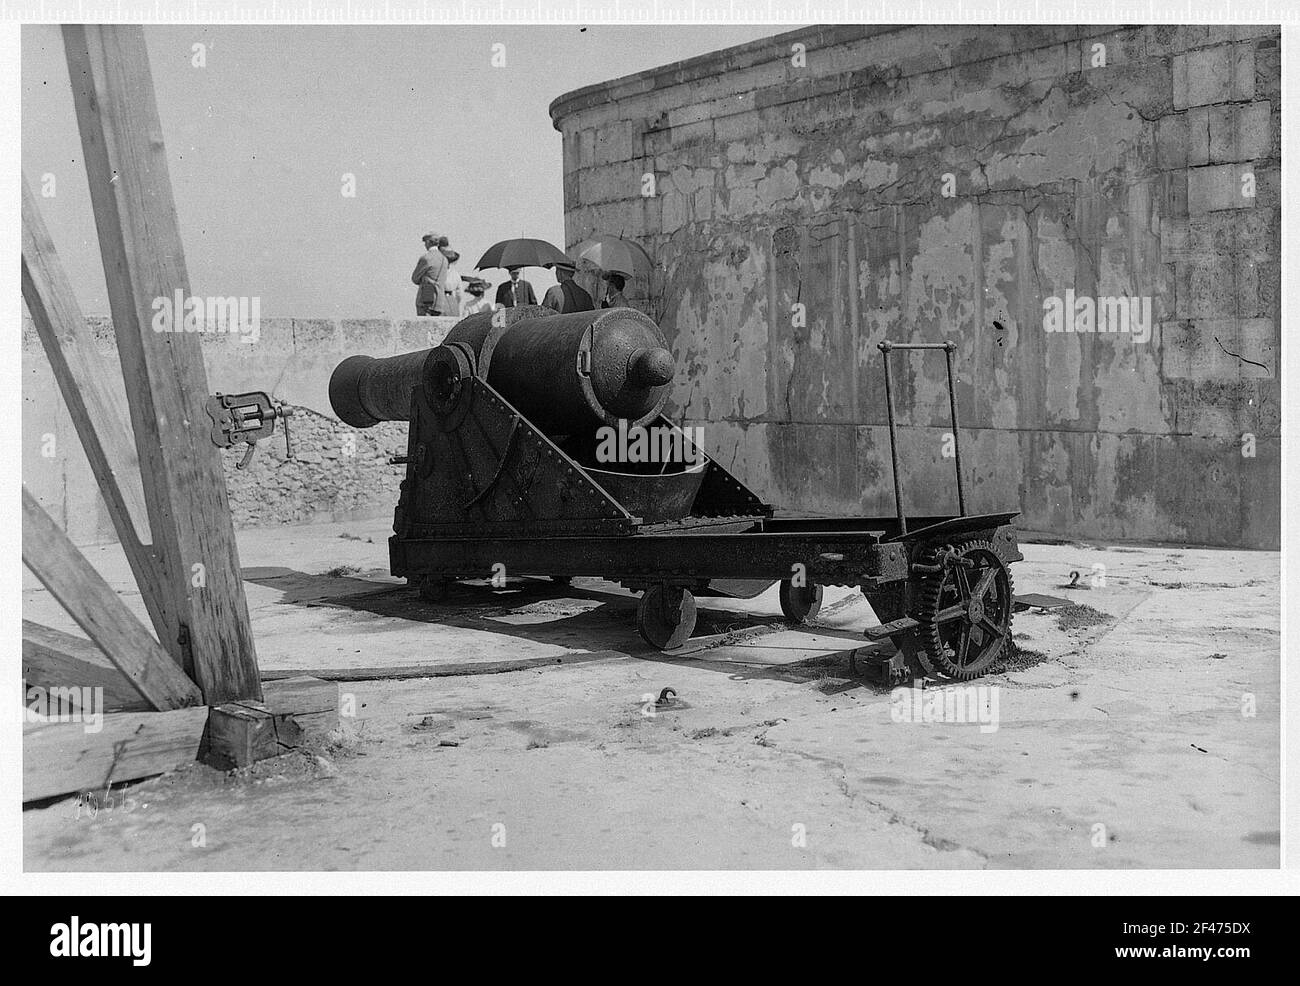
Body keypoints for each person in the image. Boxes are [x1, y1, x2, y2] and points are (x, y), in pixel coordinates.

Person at [411, 232, 448, 315]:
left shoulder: (426, 258)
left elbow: (415, 278)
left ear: (428, 242)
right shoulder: (444, 259)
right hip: (439, 301)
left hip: (425, 299)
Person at [441, 247, 466, 317]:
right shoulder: (455, 274)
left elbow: (460, 293)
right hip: (452, 299)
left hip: (441, 298)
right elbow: (460, 294)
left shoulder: (439, 272)